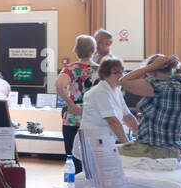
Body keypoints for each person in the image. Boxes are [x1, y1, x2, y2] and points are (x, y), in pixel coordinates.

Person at [119, 54, 181, 159]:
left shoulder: (158, 87)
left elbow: (123, 81)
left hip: (156, 151)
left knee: (106, 153)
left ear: (151, 72)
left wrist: (150, 67)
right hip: (176, 152)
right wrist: (176, 64)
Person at [55, 34, 98, 172]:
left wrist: (70, 104)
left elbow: (59, 85)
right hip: (94, 117)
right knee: (93, 157)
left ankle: (73, 187)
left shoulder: (71, 68)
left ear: (76, 49)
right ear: (93, 50)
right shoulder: (100, 70)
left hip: (73, 117)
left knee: (72, 157)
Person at [79, 59, 138, 145]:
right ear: (105, 75)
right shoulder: (100, 91)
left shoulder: (116, 90)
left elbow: (127, 117)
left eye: (122, 72)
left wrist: (141, 136)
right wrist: (127, 145)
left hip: (105, 140)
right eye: (116, 73)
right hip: (92, 140)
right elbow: (112, 121)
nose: (121, 75)